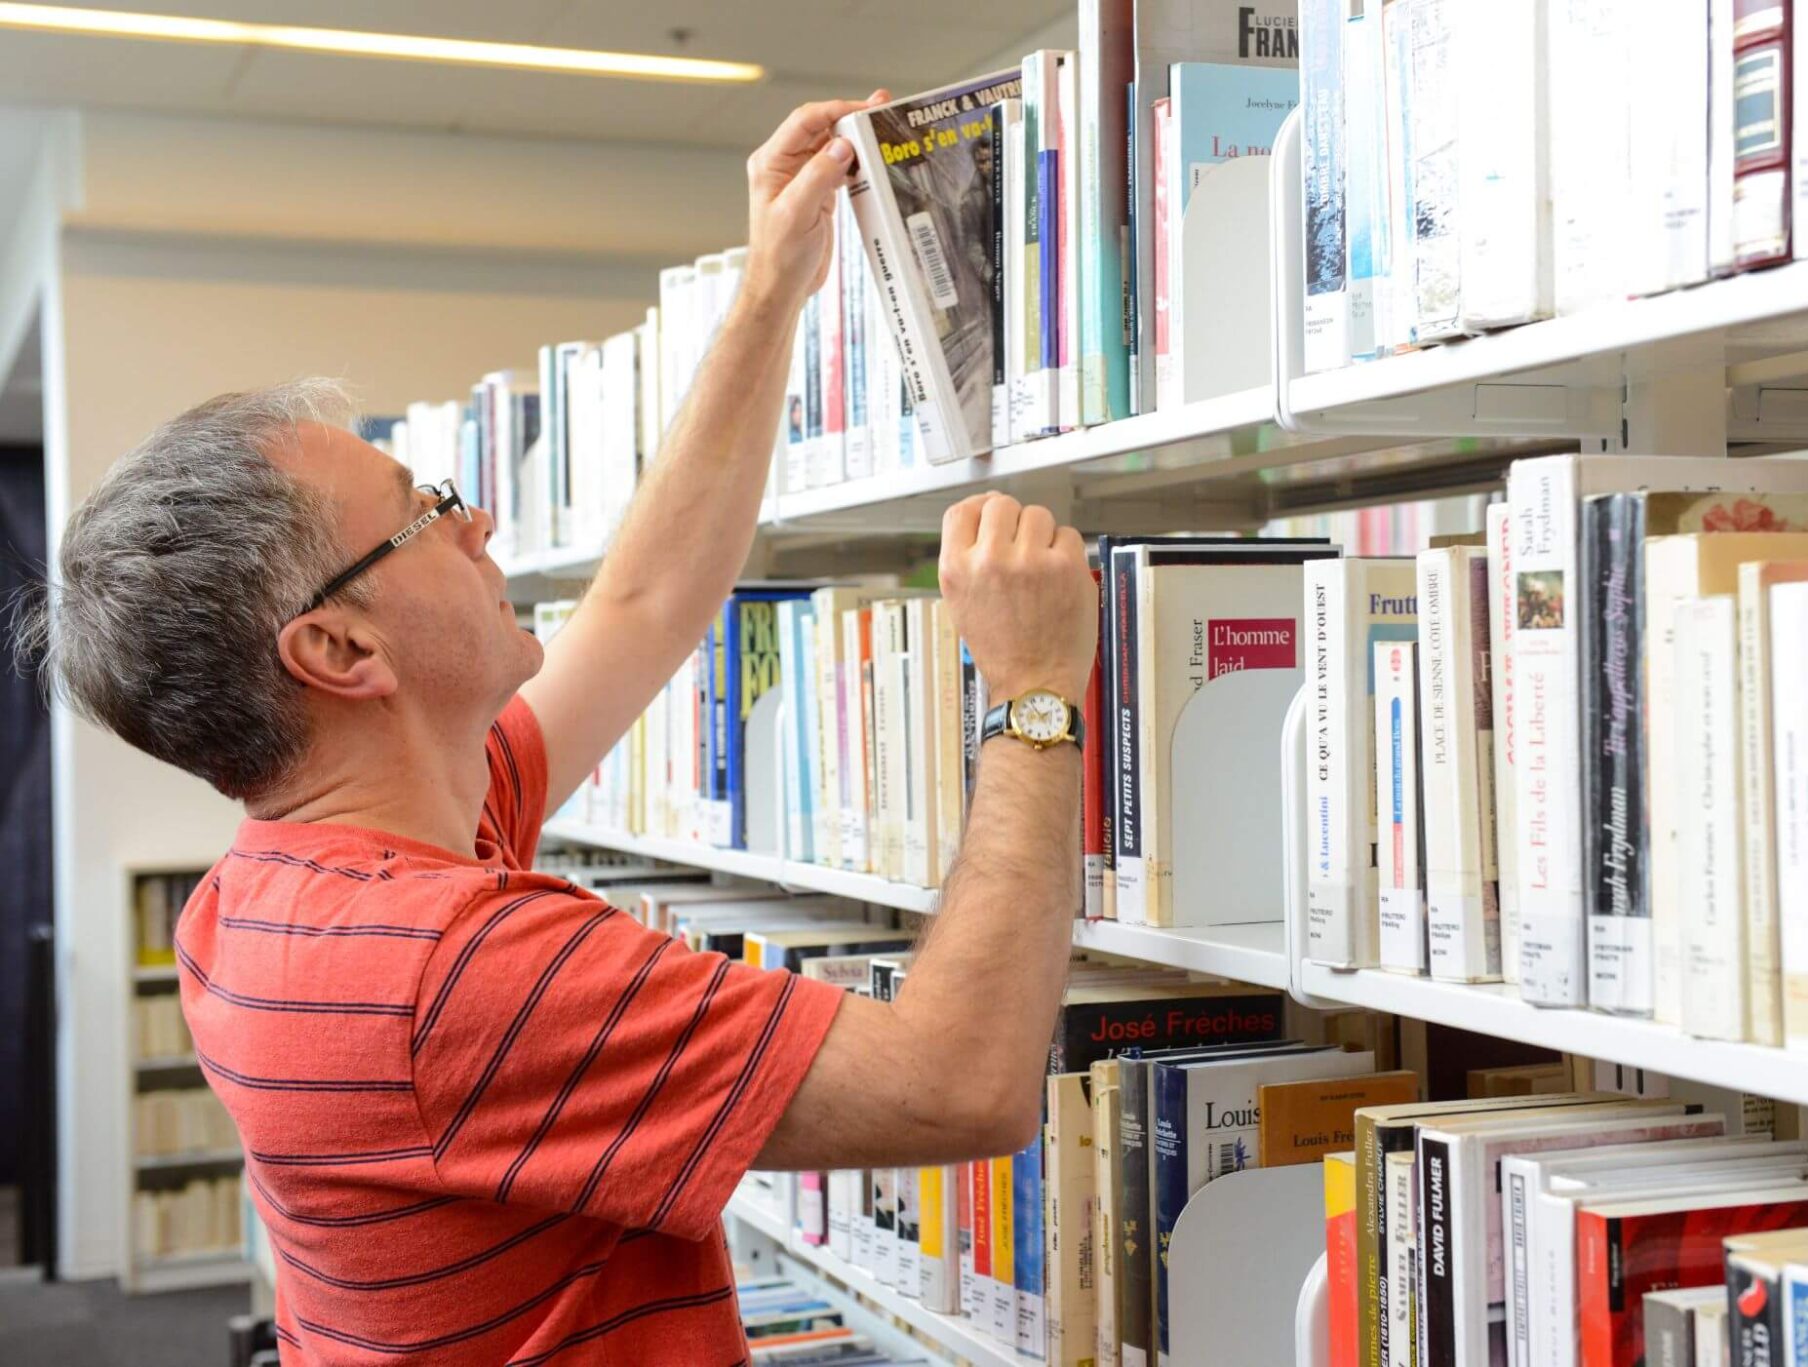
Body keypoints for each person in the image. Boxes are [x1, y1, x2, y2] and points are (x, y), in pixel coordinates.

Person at [15, 95, 1097, 1366]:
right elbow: (957, 1080)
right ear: (341, 650)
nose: (475, 525)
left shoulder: (281, 896)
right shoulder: (450, 974)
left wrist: (770, 288)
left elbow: (640, 604)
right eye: (426, 514)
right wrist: (1033, 690)